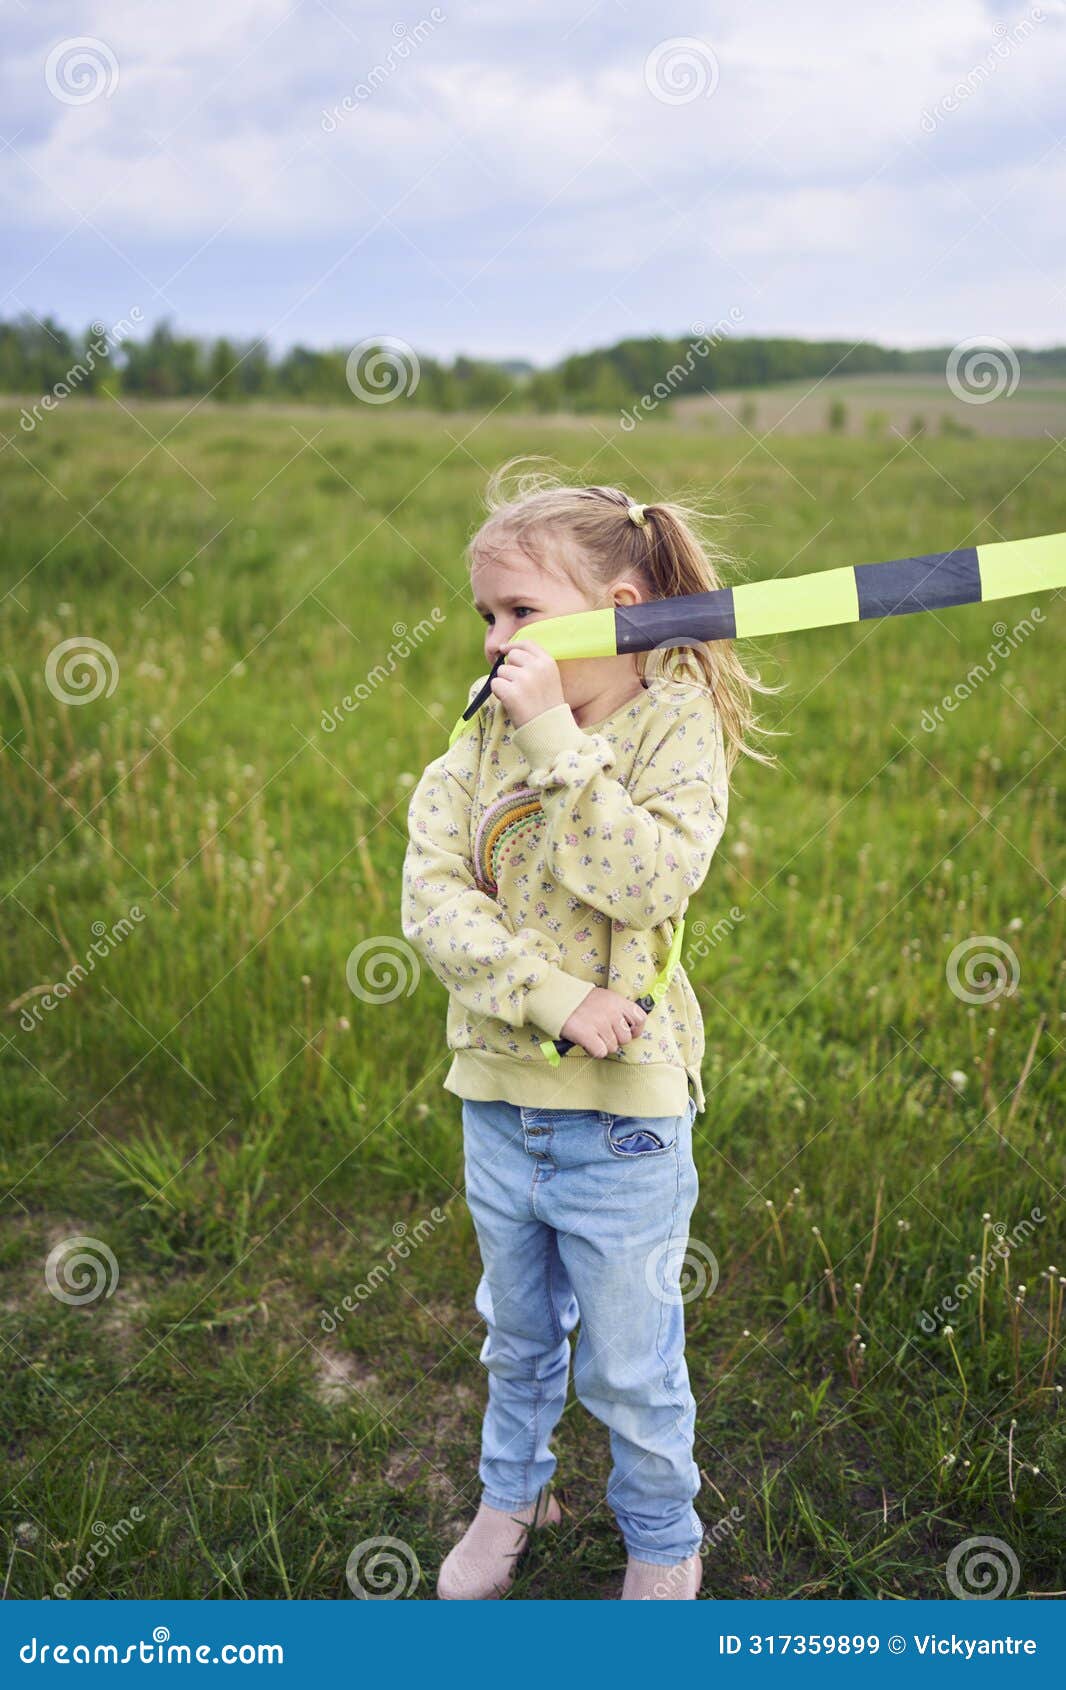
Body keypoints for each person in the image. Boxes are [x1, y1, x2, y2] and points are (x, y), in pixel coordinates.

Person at [401, 459, 776, 1599]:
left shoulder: (673, 730)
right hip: (500, 1096)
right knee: (514, 1337)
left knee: (628, 1363)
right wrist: (553, 999)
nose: (492, 638)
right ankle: (514, 1494)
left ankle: (663, 1539)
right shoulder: (480, 735)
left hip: (624, 1122)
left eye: (521, 611)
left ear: (617, 613)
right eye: (486, 614)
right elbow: (433, 896)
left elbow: (647, 879)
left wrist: (562, 741)